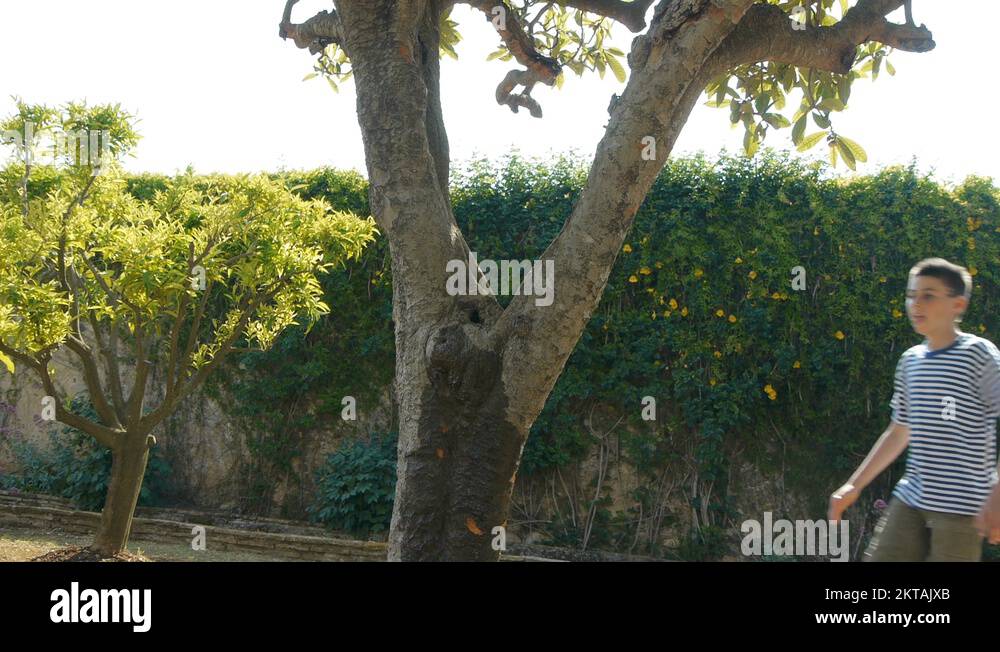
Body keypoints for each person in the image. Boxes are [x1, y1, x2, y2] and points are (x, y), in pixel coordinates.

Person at [828, 258, 1000, 561]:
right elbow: (899, 430)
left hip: (962, 508)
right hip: (911, 498)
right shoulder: (910, 362)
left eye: (928, 295)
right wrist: (854, 485)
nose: (915, 304)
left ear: (958, 305)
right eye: (911, 295)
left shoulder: (978, 354)